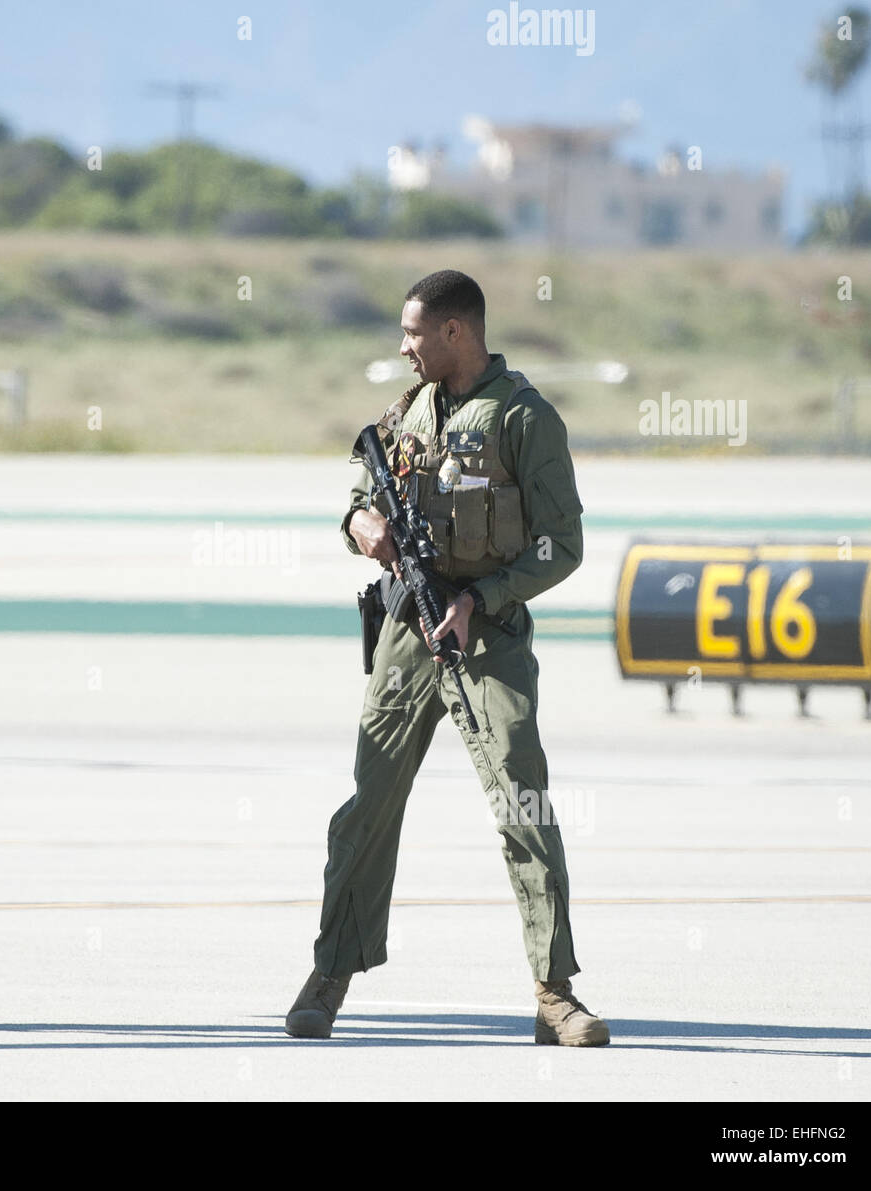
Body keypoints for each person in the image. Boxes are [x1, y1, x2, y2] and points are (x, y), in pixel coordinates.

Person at [285, 270, 608, 1046]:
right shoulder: (407, 412)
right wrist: (361, 523)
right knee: (367, 807)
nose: (403, 346)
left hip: (485, 631)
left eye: (414, 333)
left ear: (456, 331)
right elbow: (361, 499)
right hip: (408, 631)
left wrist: (482, 596)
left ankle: (554, 991)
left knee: (522, 803)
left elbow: (562, 547)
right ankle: (331, 972)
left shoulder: (526, 419)